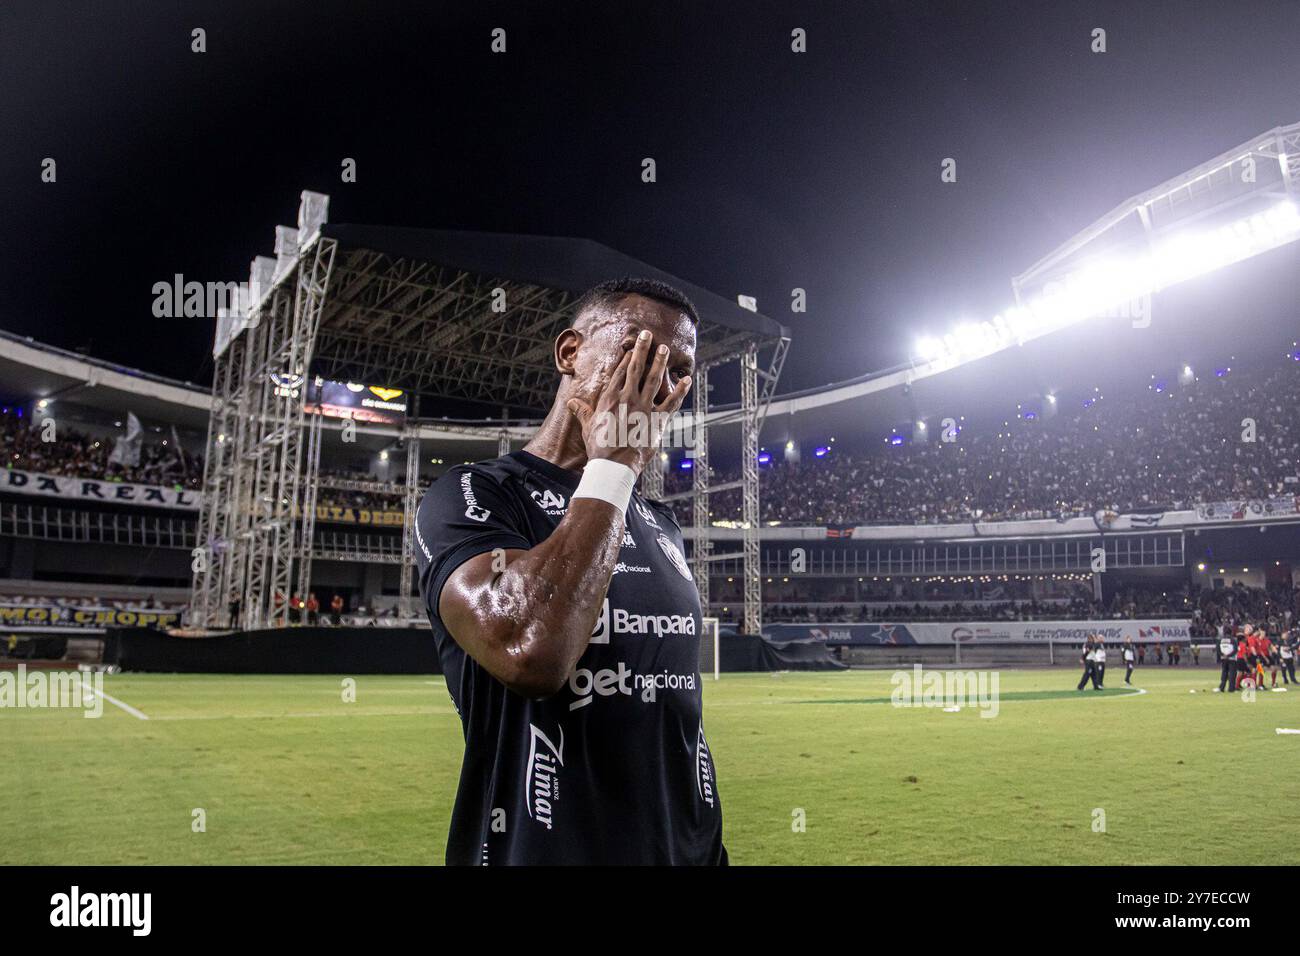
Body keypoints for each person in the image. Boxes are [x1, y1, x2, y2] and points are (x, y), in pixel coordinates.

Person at [413, 277, 724, 865]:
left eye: (678, 368)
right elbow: (528, 652)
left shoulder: (659, 521)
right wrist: (614, 465)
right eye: (638, 349)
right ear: (569, 353)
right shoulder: (474, 495)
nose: (658, 379)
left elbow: (680, 716)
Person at [1216, 626, 1239, 693]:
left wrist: (1223, 655)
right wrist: (1228, 655)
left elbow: (1218, 649)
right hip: (1232, 659)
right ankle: (1231, 689)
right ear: (1231, 632)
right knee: (1232, 674)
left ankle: (1222, 688)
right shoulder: (1233, 640)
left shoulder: (1220, 640)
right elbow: (1235, 650)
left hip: (1223, 659)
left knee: (1224, 673)